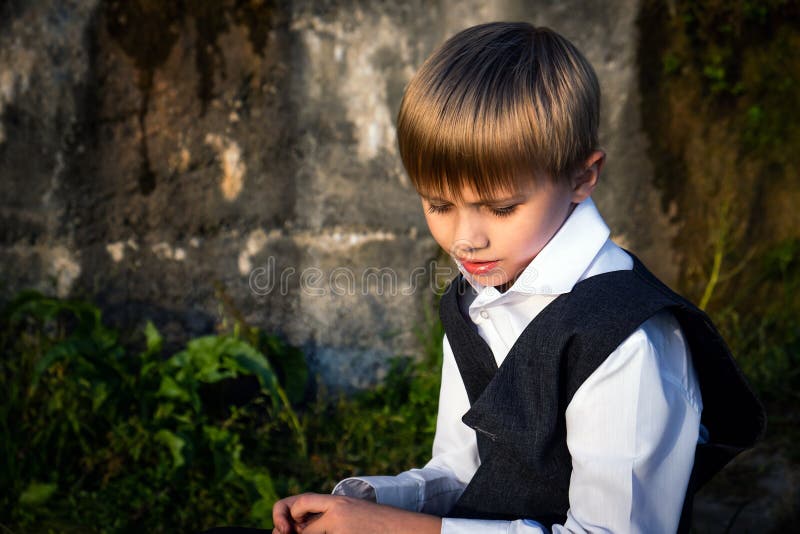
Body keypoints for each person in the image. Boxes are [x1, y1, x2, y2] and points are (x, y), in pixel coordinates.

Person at [272, 22, 765, 534]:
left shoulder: (625, 340)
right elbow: (464, 473)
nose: (465, 240)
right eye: (439, 205)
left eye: (502, 208)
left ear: (582, 177)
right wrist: (368, 505)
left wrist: (392, 529)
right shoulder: (475, 295)